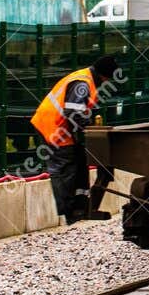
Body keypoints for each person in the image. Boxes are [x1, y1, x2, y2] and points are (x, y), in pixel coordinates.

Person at [30, 54, 120, 223]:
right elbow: (73, 113)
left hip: (61, 127)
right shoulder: (83, 84)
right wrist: (89, 129)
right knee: (65, 165)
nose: (107, 83)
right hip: (53, 127)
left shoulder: (85, 79)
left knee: (79, 160)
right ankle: (69, 211)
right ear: (104, 75)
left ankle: (81, 205)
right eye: (108, 79)